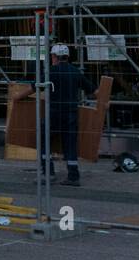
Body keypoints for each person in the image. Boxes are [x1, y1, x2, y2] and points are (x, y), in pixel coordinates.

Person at [35, 43, 95, 187]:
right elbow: (93, 90)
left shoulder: (51, 72)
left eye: (52, 56)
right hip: (71, 114)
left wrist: (17, 96)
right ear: (67, 57)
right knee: (70, 145)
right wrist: (104, 103)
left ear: (55, 57)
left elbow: (34, 87)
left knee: (44, 140)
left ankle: (48, 173)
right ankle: (73, 176)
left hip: (54, 113)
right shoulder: (75, 72)